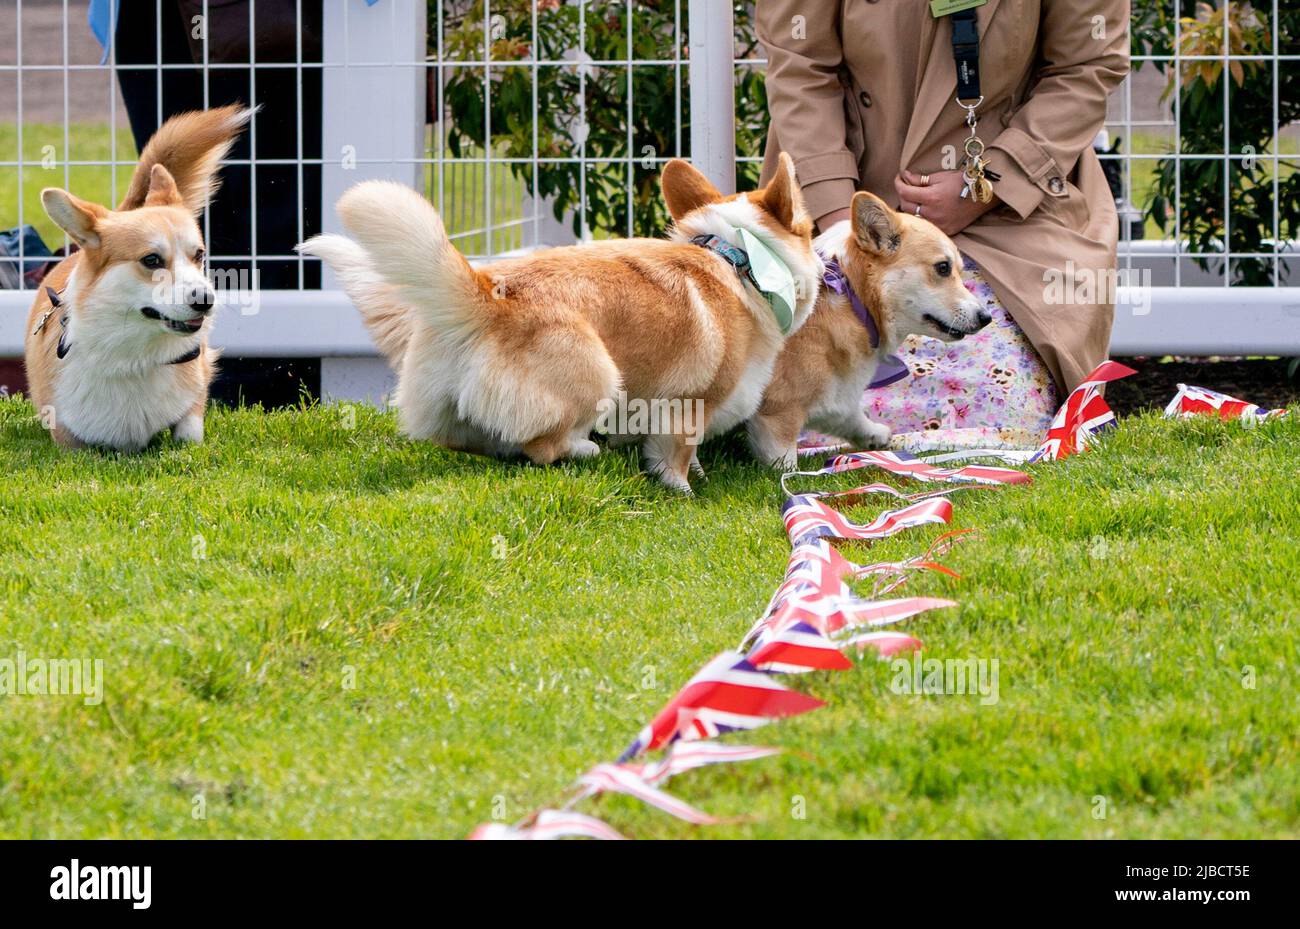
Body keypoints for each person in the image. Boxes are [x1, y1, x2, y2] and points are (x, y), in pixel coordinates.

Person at [757, 0, 1129, 450]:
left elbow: (1086, 68)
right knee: (809, 406)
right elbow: (800, 67)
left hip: (1013, 215)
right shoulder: (843, 222)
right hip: (845, 194)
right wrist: (845, 228)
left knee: (996, 406)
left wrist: (989, 181)